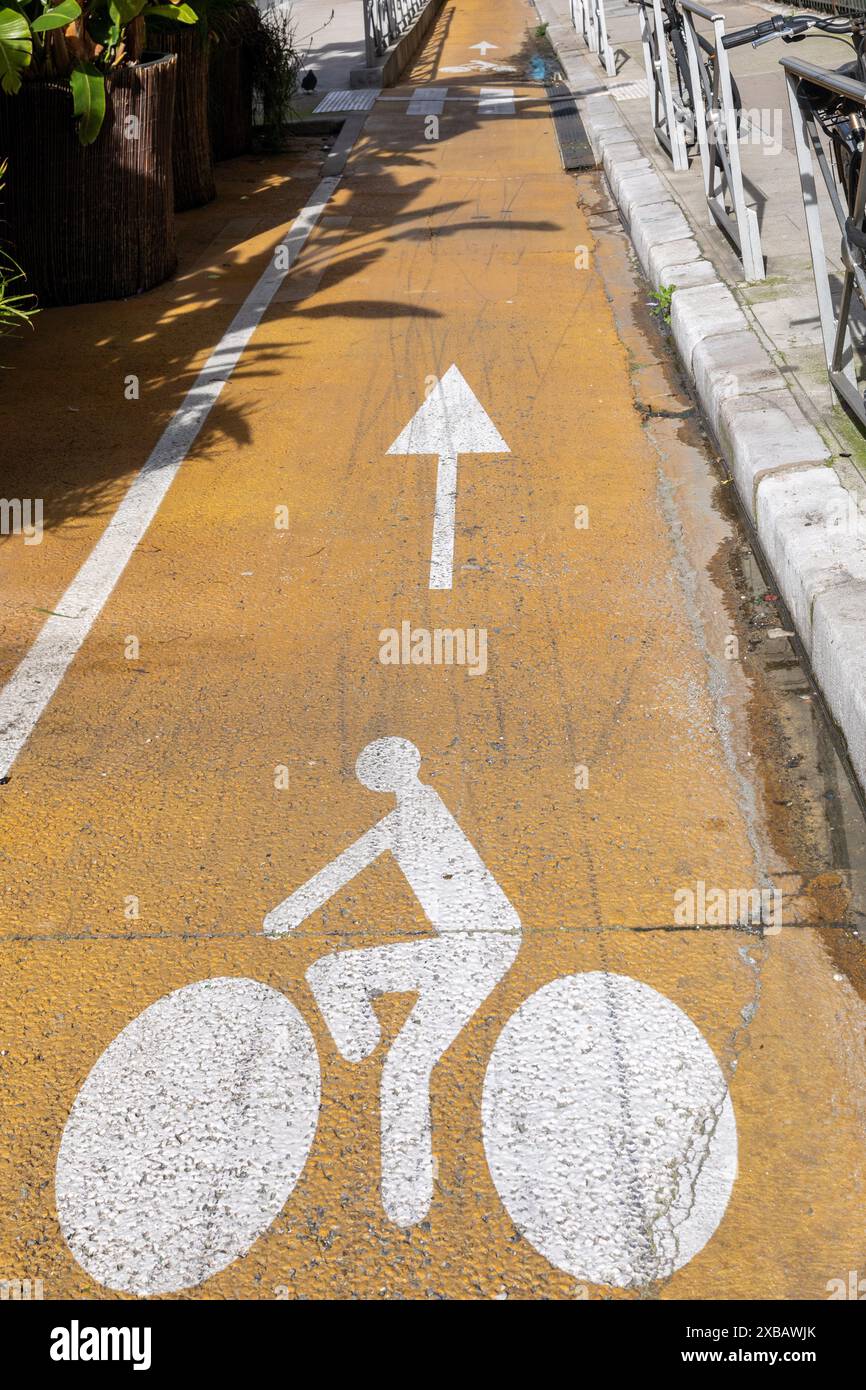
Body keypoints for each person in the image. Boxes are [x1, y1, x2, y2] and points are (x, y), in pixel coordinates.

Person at [264, 737, 522, 1226]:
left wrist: (286, 914)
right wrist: (287, 914)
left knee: (402, 1060)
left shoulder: (413, 813)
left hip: (474, 946)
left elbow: (346, 865)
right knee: (363, 1010)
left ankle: (407, 1199)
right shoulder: (415, 810)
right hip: (469, 944)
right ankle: (362, 1044)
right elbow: (349, 863)